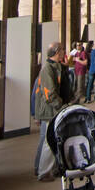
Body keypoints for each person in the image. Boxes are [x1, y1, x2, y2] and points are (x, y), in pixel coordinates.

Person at [34, 41, 69, 180]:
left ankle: (55, 167)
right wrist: (61, 106)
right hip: (50, 110)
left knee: (55, 138)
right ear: (57, 52)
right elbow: (50, 94)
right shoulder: (48, 69)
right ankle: (43, 171)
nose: (64, 52)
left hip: (54, 109)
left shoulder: (56, 67)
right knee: (49, 141)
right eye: (62, 50)